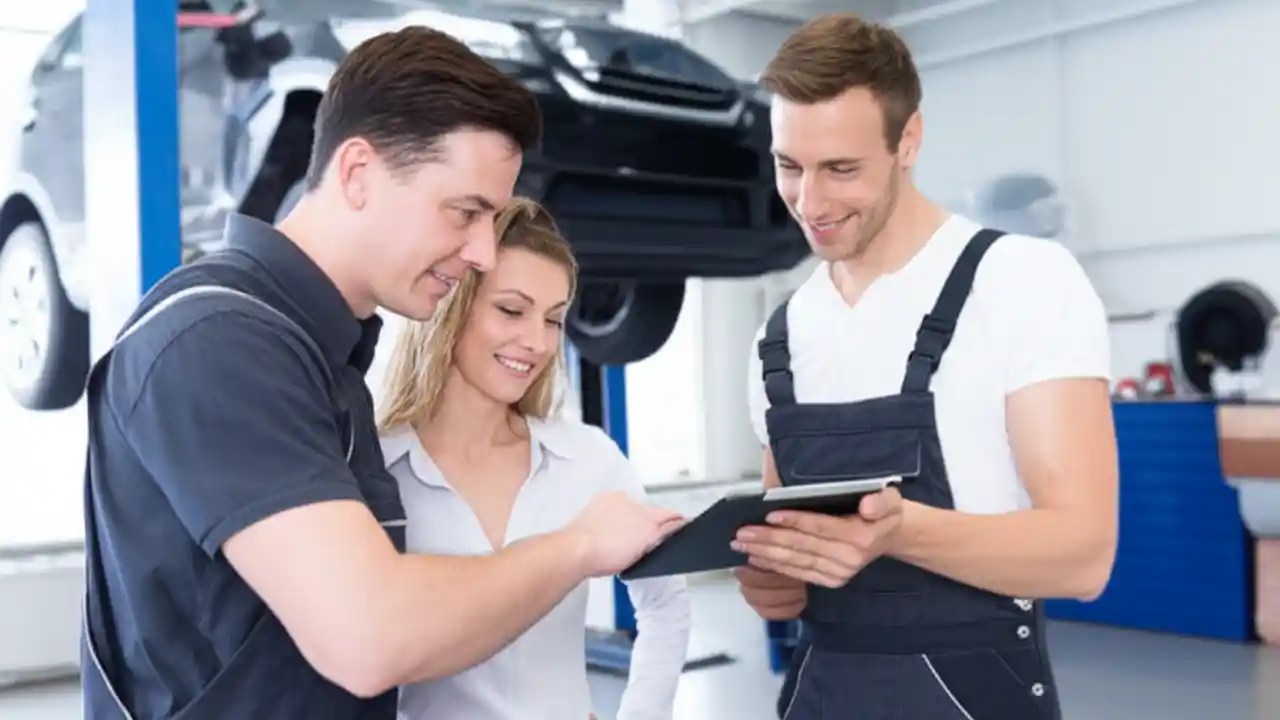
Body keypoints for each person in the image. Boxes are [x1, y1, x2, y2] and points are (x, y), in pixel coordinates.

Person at [80, 27, 683, 720]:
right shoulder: (219, 344)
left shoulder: (316, 358)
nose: (485, 252)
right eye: (466, 212)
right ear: (358, 172)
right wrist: (579, 547)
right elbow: (369, 636)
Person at [730, 13, 1119, 720]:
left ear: (908, 140)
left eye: (841, 169)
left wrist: (900, 531)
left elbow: (1083, 554)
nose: (809, 203)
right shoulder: (778, 336)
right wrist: (771, 580)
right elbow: (788, 552)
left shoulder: (1023, 281)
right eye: (790, 166)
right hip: (822, 695)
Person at [376, 197, 692, 720]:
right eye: (511, 310)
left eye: (553, 319)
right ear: (452, 304)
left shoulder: (588, 459)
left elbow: (666, 603)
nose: (537, 342)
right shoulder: (378, 467)